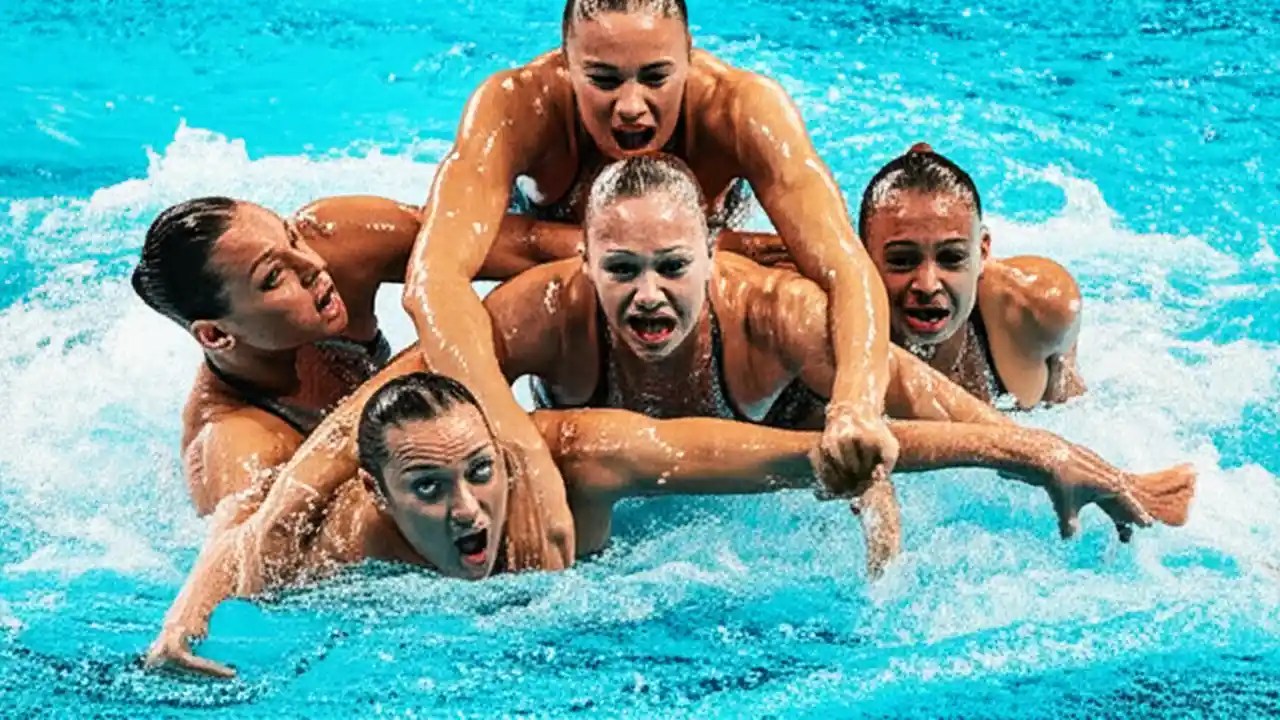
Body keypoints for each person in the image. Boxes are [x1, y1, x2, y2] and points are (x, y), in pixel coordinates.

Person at [144, 370, 1195, 679]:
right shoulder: (336, 542)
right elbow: (240, 527)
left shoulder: (593, 460)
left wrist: (1036, 454)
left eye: (480, 475)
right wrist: (186, 617)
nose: (466, 510)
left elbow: (808, 458)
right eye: (428, 492)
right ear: (376, 495)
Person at [401, 0, 902, 569]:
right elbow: (432, 279)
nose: (632, 107)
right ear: (565, 65)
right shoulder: (518, 106)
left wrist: (855, 404)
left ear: (690, 59)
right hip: (580, 327)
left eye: (657, 77)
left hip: (707, 325)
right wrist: (517, 444)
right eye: (604, 80)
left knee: (805, 302)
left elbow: (846, 265)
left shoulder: (740, 108)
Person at [131, 194, 579, 515]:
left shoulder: (333, 238)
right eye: (273, 278)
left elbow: (524, 244)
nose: (313, 266)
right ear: (215, 335)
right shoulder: (237, 443)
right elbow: (266, 561)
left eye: (290, 237)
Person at [723, 143, 1085, 408]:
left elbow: (1074, 421)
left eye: (952, 258)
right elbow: (703, 250)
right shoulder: (810, 309)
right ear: (860, 257)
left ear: (983, 252)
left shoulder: (1036, 310)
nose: (928, 285)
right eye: (902, 260)